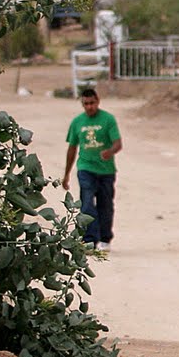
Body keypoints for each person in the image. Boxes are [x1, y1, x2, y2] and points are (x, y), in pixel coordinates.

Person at [62, 86, 123, 251]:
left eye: (92, 103)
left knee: (105, 206)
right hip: (85, 168)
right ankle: (89, 239)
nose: (90, 107)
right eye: (86, 104)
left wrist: (110, 152)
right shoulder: (77, 122)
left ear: (98, 101)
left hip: (106, 171)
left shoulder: (108, 119)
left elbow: (118, 143)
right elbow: (72, 148)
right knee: (87, 204)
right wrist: (66, 174)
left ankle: (104, 238)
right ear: (82, 104)